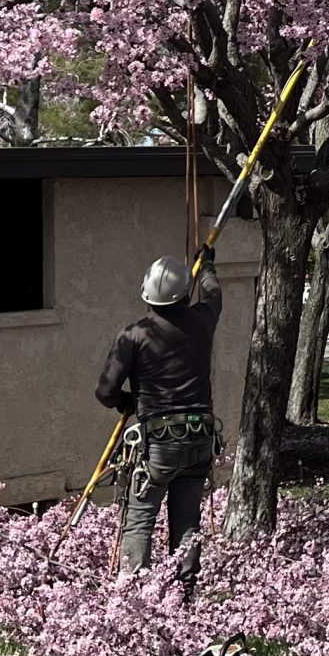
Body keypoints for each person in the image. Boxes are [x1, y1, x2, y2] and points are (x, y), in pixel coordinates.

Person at [96, 247, 221, 595]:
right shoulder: (203, 319)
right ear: (184, 294)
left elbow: (105, 391)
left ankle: (136, 596)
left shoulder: (134, 335)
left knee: (140, 520)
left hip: (159, 442)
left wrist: (129, 402)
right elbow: (213, 294)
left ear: (146, 295)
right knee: (187, 522)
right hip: (199, 438)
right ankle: (185, 592)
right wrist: (208, 265)